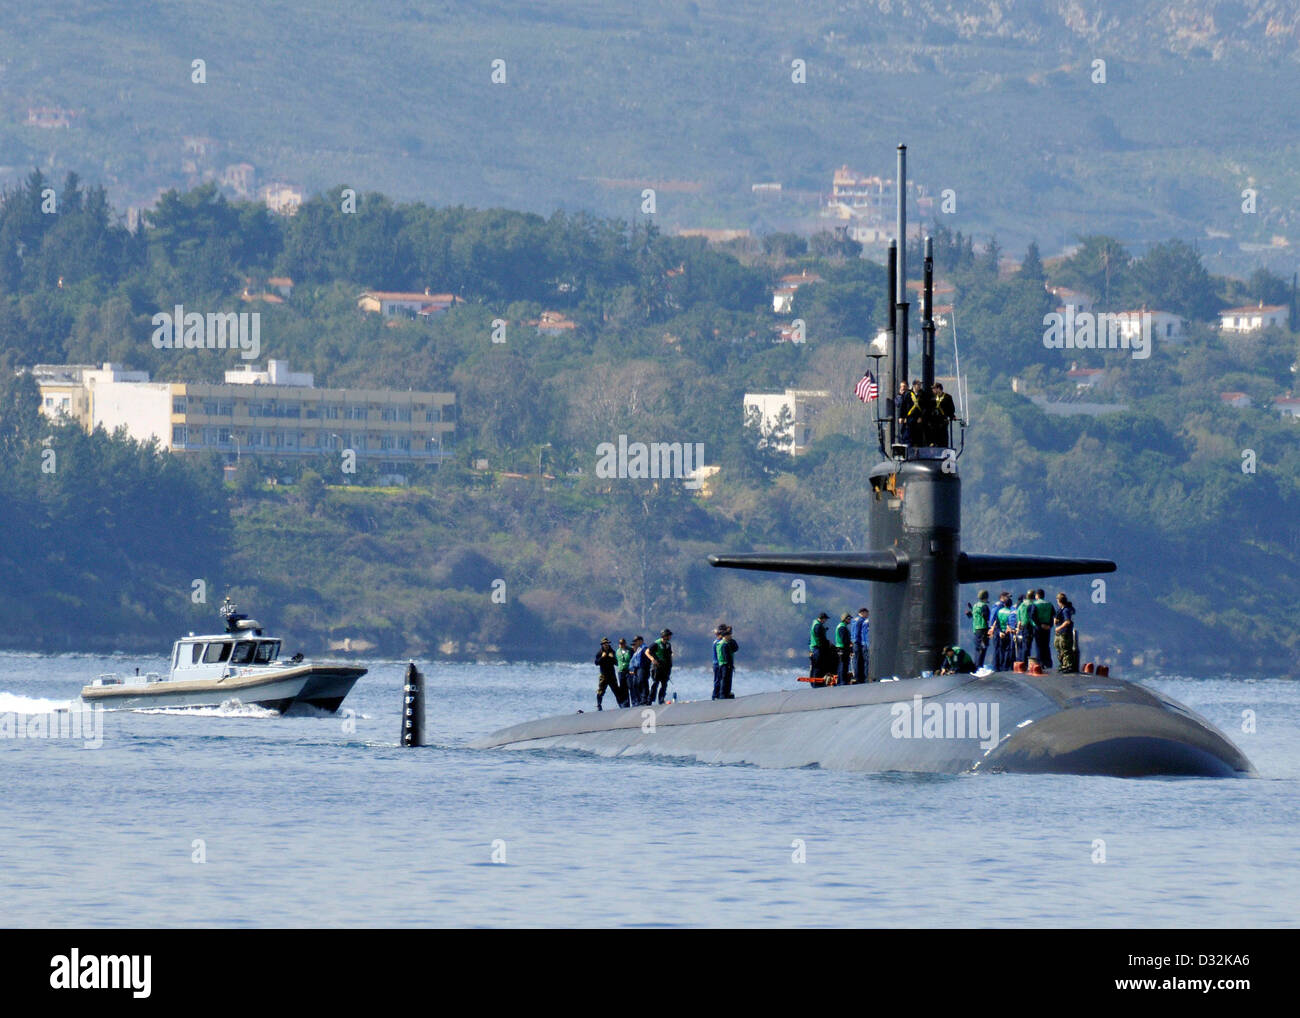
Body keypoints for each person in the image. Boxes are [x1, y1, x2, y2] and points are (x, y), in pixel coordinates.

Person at [594, 637, 625, 710]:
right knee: (600, 691)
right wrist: (602, 657)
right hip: (603, 675)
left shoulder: (613, 652)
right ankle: (599, 705)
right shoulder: (599, 652)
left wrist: (612, 658)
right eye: (604, 644)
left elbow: (617, 663)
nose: (606, 645)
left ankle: (621, 705)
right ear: (602, 645)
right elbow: (596, 663)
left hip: (612, 675)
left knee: (616, 691)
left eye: (607, 643)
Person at [991, 592, 1016, 671]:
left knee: (1000, 649)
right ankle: (1005, 666)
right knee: (1007, 650)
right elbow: (1011, 622)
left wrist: (998, 631)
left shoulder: (1000, 610)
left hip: (1000, 632)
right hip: (1007, 632)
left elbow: (996, 622)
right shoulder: (1010, 612)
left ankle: (999, 666)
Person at [712, 624, 739, 699]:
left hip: (721, 663)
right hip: (719, 663)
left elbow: (735, 648)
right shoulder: (720, 643)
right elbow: (724, 655)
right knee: (720, 680)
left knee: (724, 680)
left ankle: (724, 694)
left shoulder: (726, 642)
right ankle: (717, 695)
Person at [966, 590, 991, 668]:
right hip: (983, 629)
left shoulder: (975, 606)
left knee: (977, 648)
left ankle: (976, 665)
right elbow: (987, 617)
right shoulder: (984, 606)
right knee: (983, 648)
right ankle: (979, 666)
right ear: (986, 597)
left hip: (976, 629)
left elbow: (970, 616)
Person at [648, 628, 673, 704]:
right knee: (655, 683)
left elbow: (670, 654)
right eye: (669, 635)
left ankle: (661, 699)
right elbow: (648, 652)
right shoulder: (656, 643)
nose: (670, 637)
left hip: (666, 667)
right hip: (657, 667)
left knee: (664, 684)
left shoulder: (668, 644)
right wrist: (653, 659)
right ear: (664, 636)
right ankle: (650, 699)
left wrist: (670, 664)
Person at [1054, 594, 1077, 674]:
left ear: (1059, 601)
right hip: (1062, 633)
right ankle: (1064, 664)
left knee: (1065, 649)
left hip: (1065, 632)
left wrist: (1058, 628)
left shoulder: (1066, 610)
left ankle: (1067, 665)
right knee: (1060, 648)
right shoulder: (1063, 609)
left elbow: (1067, 621)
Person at [1033, 589, 1054, 669]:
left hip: (1038, 628)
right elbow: (1053, 615)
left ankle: (1040, 663)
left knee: (1039, 645)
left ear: (1037, 595)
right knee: (1046, 645)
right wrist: (1050, 625)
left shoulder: (1035, 604)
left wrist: (1039, 624)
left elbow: (1032, 616)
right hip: (1047, 628)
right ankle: (1048, 663)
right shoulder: (1049, 604)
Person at [808, 612, 833, 678]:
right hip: (817, 648)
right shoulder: (818, 626)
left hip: (814, 648)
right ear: (822, 619)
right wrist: (828, 643)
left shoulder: (815, 624)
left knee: (815, 666)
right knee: (818, 666)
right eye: (825, 619)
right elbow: (820, 638)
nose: (826, 621)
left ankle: (815, 683)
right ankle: (816, 684)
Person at [932, 381, 956, 448]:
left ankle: (944, 447)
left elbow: (951, 409)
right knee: (935, 434)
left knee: (943, 436)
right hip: (935, 420)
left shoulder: (947, 397)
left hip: (943, 420)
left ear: (939, 389)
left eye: (934, 388)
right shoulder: (933, 398)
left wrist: (952, 416)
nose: (933, 390)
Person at [1017, 590, 1037, 667]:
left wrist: (1019, 623)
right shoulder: (1032, 604)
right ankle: (1025, 663)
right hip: (1030, 626)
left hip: (1023, 626)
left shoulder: (1022, 605)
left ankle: (1022, 661)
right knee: (1028, 645)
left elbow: (1018, 614)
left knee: (1024, 644)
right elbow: (1032, 617)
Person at [628, 636, 650, 705]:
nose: (635, 642)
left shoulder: (644, 648)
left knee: (642, 682)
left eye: (636, 641)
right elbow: (633, 661)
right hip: (636, 669)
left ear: (640, 641)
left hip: (643, 668)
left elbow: (649, 656)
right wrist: (632, 668)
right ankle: (640, 699)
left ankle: (644, 698)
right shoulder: (638, 649)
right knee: (635, 684)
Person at [850, 607, 870, 683]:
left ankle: (857, 677)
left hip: (855, 642)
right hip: (859, 643)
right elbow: (858, 632)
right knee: (861, 661)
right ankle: (861, 677)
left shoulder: (854, 620)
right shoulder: (861, 620)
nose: (867, 615)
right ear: (863, 612)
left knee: (856, 660)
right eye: (867, 613)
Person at [835, 613, 853, 686]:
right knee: (843, 665)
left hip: (842, 648)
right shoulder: (842, 627)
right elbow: (844, 640)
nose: (850, 620)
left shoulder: (842, 626)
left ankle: (841, 681)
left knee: (842, 665)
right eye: (849, 619)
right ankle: (842, 682)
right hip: (843, 649)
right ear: (845, 619)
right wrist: (850, 646)